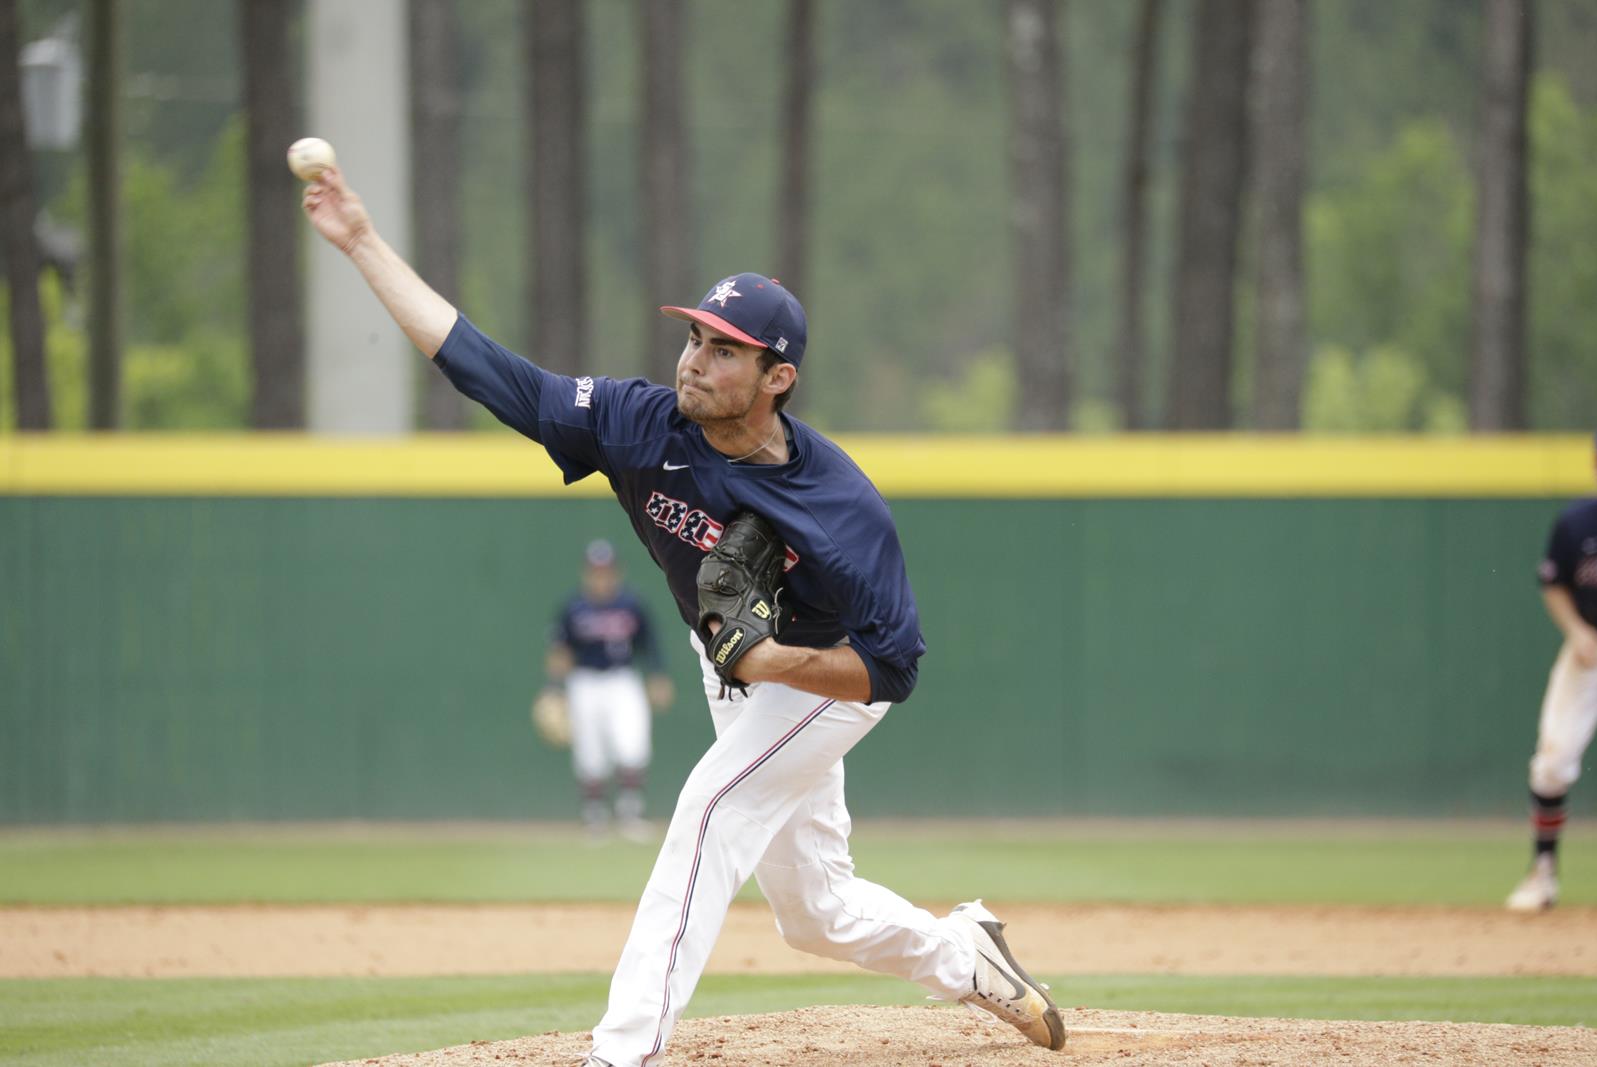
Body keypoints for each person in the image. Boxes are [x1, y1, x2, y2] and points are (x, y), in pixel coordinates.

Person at [300, 165, 1065, 1066]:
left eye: (726, 349)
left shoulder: (839, 507)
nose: (696, 360)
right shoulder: (639, 424)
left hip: (825, 675)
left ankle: (621, 1052)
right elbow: (484, 367)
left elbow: (894, 665)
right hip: (739, 670)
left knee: (706, 810)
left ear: (777, 376)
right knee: (812, 913)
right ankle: (963, 954)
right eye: (696, 336)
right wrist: (360, 243)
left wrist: (771, 661)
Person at [1506, 432, 1597, 912]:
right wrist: (1577, 629)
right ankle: (1542, 874)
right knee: (1553, 759)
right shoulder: (1576, 523)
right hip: (1591, 653)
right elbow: (1554, 583)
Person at [544, 538, 673, 841]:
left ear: (616, 571)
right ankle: (594, 816)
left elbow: (650, 644)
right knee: (590, 751)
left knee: (633, 743)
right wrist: (552, 688)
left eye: (606, 570)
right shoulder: (573, 607)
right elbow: (560, 651)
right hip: (584, 682)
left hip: (622, 679)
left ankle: (630, 812)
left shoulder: (631, 604)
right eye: (595, 570)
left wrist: (658, 677)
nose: (601, 576)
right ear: (587, 573)